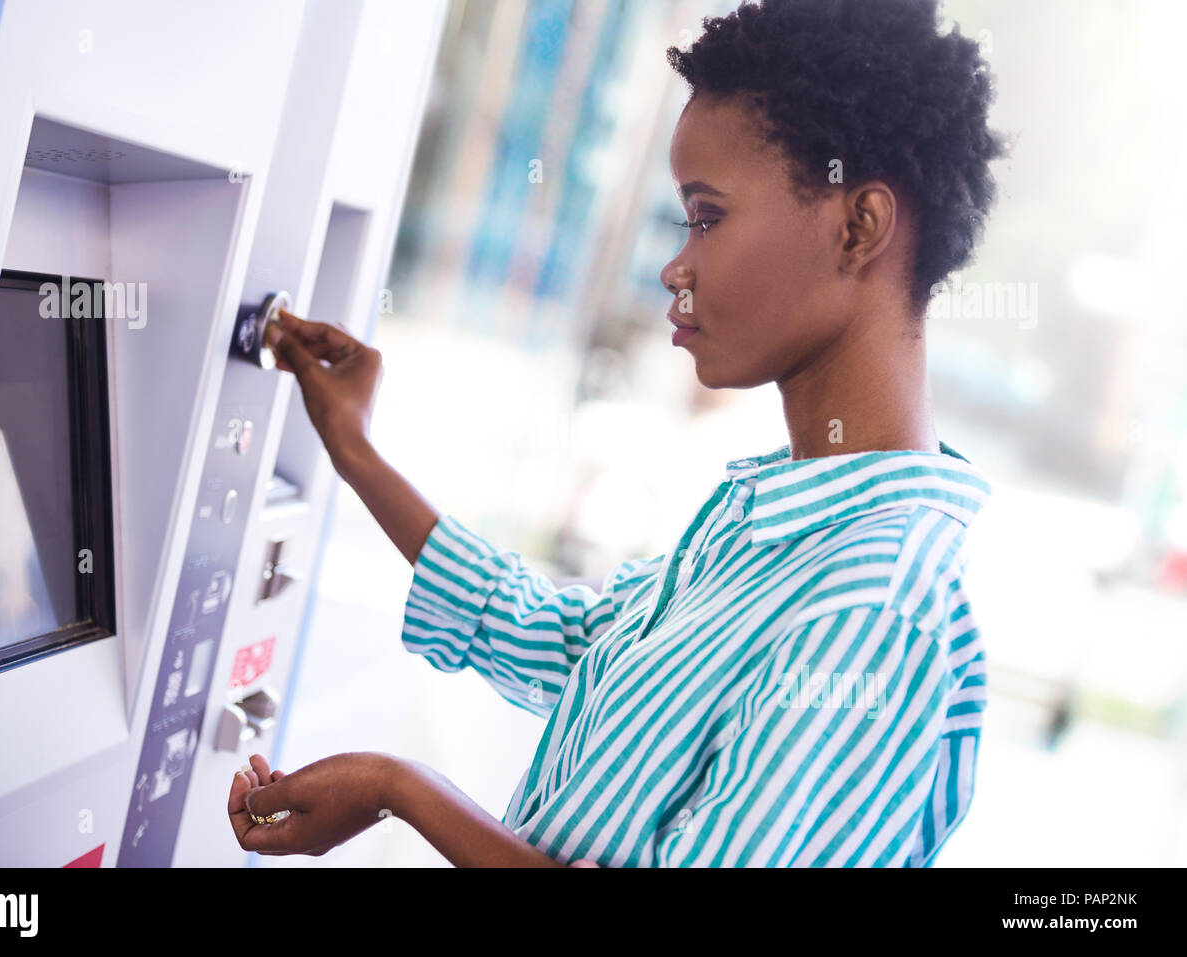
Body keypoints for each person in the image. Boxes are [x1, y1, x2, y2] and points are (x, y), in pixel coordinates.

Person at [228, 0, 1008, 867]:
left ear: (858, 227)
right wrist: (357, 453)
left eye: (707, 216)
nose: (677, 266)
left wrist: (395, 788)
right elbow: (564, 640)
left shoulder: (873, 609)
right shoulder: (769, 530)